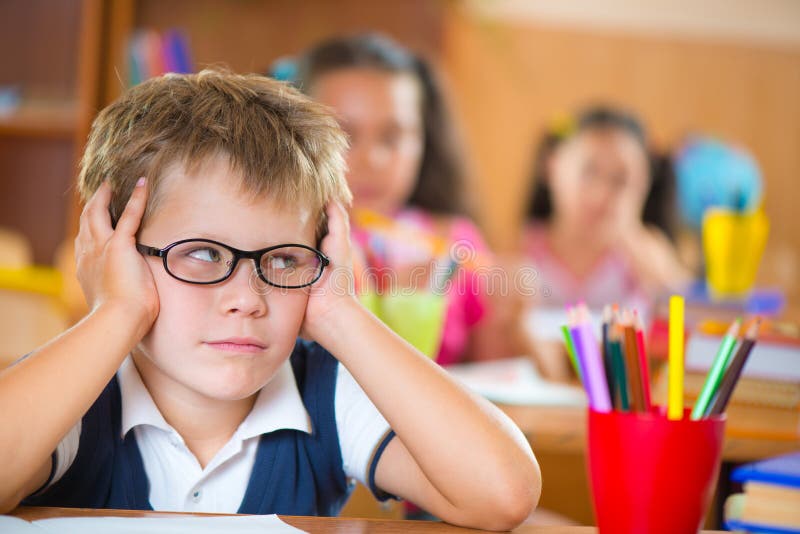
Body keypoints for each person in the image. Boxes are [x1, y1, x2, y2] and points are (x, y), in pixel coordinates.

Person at [0, 70, 541, 531]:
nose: (247, 300)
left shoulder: (325, 393)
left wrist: (339, 313)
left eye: (283, 260)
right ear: (113, 252)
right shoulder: (74, 393)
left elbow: (503, 494)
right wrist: (115, 312)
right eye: (203, 254)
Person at [289, 33, 528, 365]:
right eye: (345, 135)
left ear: (423, 141)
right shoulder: (285, 245)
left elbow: (494, 375)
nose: (373, 159)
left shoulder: (455, 243)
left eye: (393, 137)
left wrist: (510, 319)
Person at [522, 106, 692, 380]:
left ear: (645, 185)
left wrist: (641, 253)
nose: (602, 193)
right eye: (589, 172)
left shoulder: (650, 253)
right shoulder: (521, 248)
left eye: (621, 180)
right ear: (552, 165)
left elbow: (685, 319)